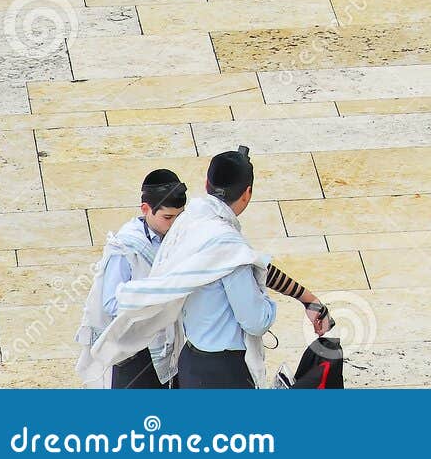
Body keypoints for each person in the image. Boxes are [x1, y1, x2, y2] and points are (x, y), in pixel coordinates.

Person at [84, 148, 333, 390]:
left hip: (190, 362)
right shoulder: (226, 243)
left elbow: (255, 262)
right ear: (247, 193)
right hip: (223, 373)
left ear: (206, 184)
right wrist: (267, 303)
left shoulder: (191, 221)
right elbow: (255, 321)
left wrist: (307, 299)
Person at [76, 170, 186, 389]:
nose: (174, 224)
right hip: (135, 353)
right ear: (146, 209)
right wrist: (157, 301)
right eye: (167, 217)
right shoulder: (125, 247)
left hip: (170, 346)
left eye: (179, 216)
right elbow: (112, 303)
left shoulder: (181, 238)